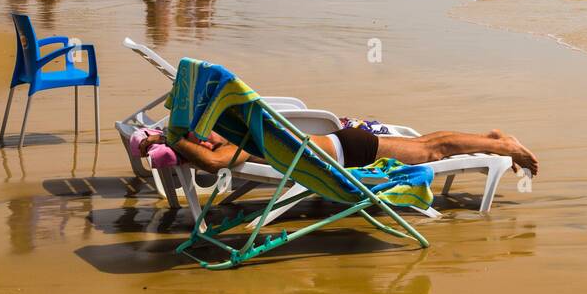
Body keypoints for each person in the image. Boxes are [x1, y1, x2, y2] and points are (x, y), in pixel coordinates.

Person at [138, 121, 539, 176]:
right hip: (345, 144)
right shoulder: (233, 135)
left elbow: (209, 164)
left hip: (351, 151)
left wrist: (171, 142)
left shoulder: (231, 149)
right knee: (428, 144)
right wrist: (169, 139)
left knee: (435, 150)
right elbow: (207, 152)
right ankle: (493, 142)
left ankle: (502, 145)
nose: (209, 140)